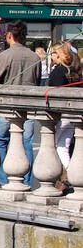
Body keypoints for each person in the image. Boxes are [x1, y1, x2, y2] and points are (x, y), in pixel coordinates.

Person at [0, 21, 40, 186]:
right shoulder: (34, 57)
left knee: (0, 140)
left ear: (9, 35)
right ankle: (25, 181)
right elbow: (38, 82)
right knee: (26, 143)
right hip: (28, 108)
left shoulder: (5, 56)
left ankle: (3, 179)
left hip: (6, 107)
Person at [48, 42, 81, 189]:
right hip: (73, 114)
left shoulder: (58, 71)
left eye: (53, 54)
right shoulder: (73, 71)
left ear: (58, 54)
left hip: (63, 115)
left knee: (58, 146)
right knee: (65, 146)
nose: (51, 57)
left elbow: (54, 94)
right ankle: (70, 175)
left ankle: (69, 174)